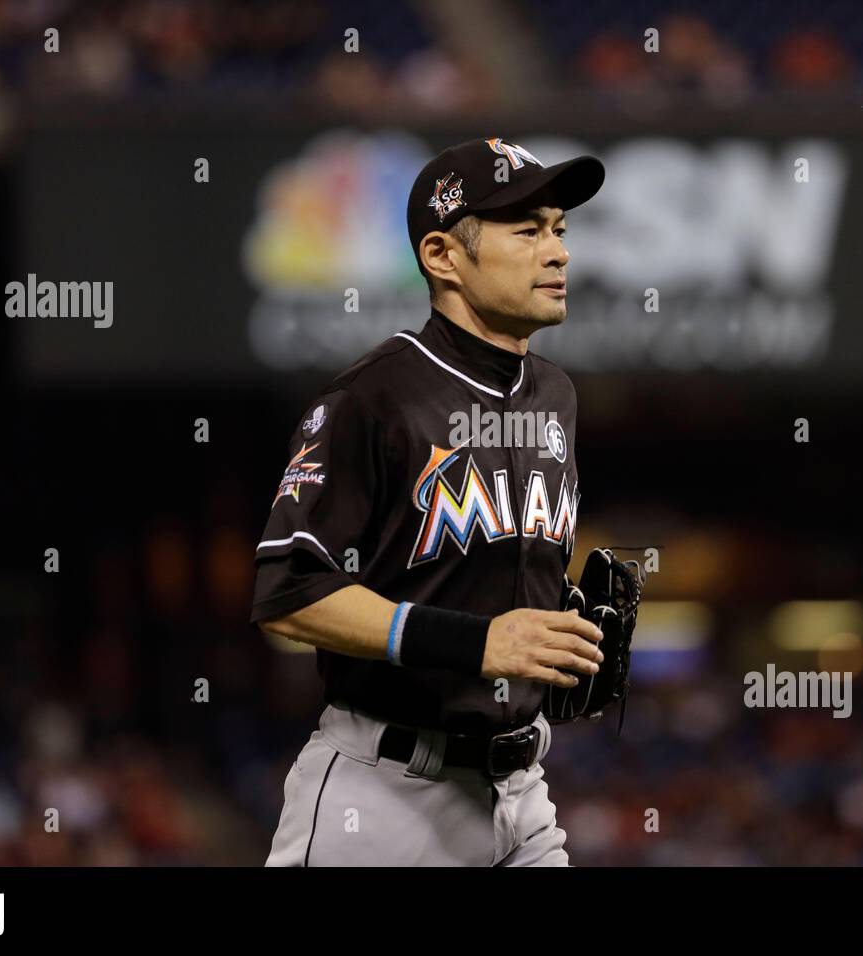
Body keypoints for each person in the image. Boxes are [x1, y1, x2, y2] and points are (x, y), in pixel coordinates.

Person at [251, 137, 605, 866]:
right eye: (527, 229)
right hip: (385, 798)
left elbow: (465, 572)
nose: (558, 252)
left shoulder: (555, 395)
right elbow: (288, 593)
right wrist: (479, 644)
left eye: (559, 229)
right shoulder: (373, 397)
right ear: (444, 256)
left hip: (520, 792)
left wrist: (562, 627)